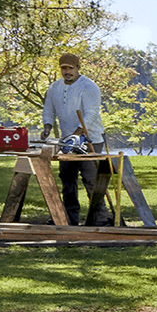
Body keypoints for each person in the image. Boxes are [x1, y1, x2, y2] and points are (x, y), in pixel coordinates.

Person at [38, 53, 107, 225]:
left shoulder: (89, 87)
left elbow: (91, 114)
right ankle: (68, 218)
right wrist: (47, 126)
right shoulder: (54, 87)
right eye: (64, 68)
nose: (67, 71)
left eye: (70, 68)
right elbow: (48, 109)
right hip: (66, 141)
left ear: (78, 68)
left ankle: (100, 219)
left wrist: (77, 134)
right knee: (67, 179)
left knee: (91, 180)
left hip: (90, 139)